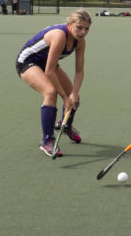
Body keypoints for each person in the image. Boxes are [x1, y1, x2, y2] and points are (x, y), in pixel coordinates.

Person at [16, 9, 91, 156]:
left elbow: (79, 71)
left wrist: (73, 94)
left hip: (48, 63)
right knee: (50, 92)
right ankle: (47, 140)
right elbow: (49, 71)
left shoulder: (80, 42)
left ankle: (66, 125)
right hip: (28, 62)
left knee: (74, 96)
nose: (83, 32)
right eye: (79, 27)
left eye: (87, 28)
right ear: (70, 24)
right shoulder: (59, 36)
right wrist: (64, 97)